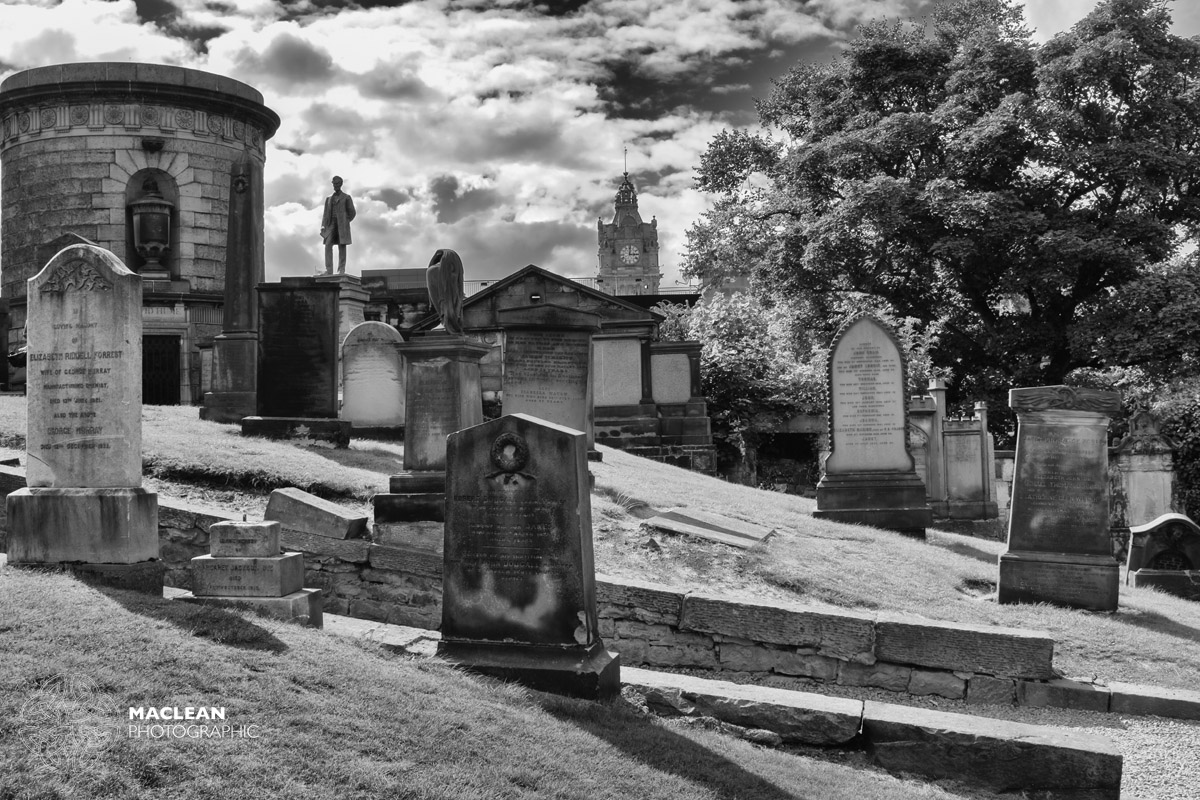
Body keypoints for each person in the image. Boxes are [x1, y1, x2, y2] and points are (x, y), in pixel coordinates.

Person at [320, 175, 356, 274]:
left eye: (336, 184)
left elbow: (352, 212)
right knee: (328, 245)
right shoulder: (328, 199)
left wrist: (345, 221)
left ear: (340, 184)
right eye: (333, 184)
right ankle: (329, 270)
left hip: (342, 225)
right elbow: (325, 214)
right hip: (331, 224)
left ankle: (341, 269)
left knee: (342, 245)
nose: (335, 185)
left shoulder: (346, 197)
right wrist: (323, 226)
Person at [426, 248, 465, 335]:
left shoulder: (432, 271)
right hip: (451, 309)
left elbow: (435, 297)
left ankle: (445, 321)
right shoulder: (455, 274)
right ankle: (448, 321)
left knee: (444, 301)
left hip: (444, 306)